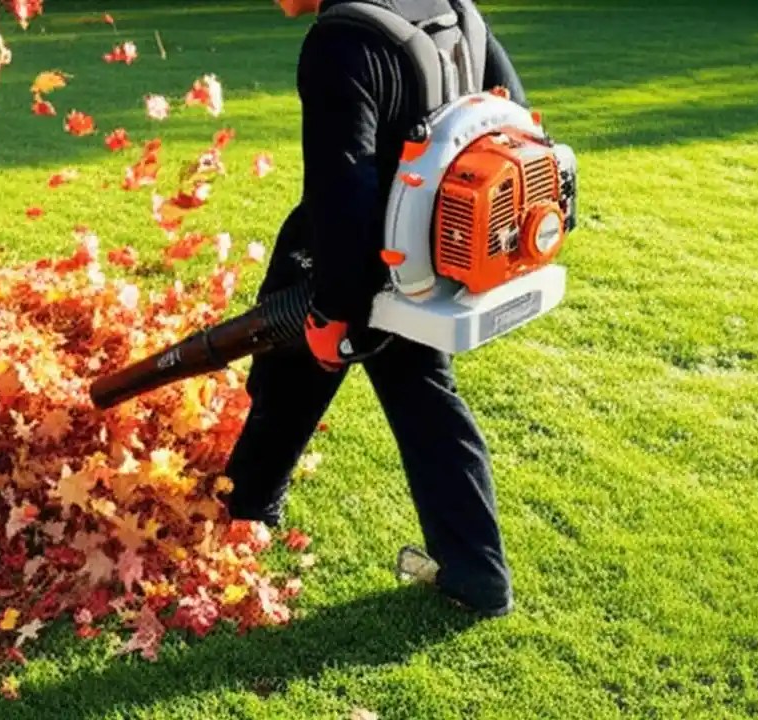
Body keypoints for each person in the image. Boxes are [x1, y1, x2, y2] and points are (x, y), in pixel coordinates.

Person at [220, 0, 530, 618]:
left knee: (292, 368)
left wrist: (337, 310)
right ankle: (477, 575)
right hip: (427, 256)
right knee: (421, 401)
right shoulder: (453, 9)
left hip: (353, 255)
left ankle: (247, 506)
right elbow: (513, 116)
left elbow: (343, 185)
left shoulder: (341, 42)